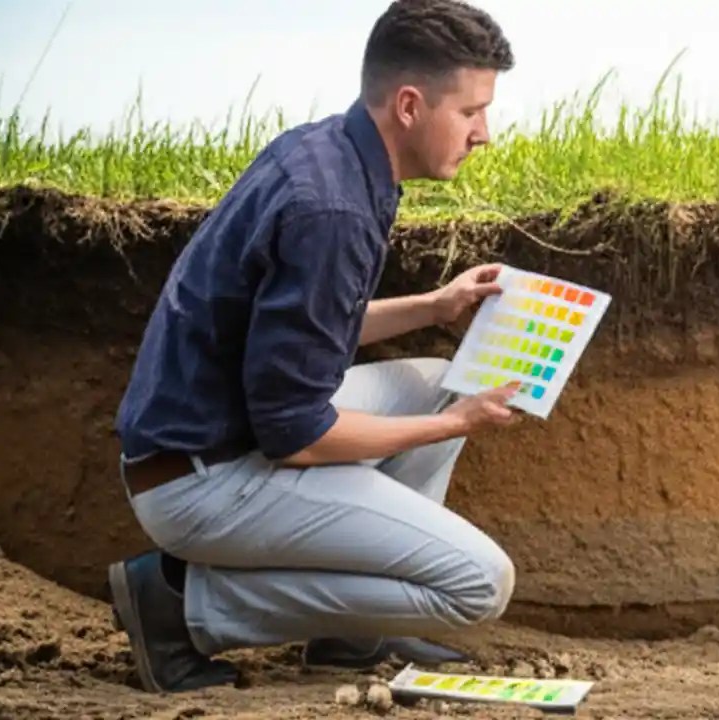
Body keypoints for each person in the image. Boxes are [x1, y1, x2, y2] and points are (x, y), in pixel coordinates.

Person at [107, 0, 521, 693]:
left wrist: (434, 305)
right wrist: (458, 424)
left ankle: (349, 636)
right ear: (411, 105)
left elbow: (299, 336)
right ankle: (179, 606)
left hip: (209, 442)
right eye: (472, 111)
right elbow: (294, 435)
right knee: (479, 584)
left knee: (443, 377)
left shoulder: (332, 154)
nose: (485, 133)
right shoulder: (332, 210)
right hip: (201, 482)